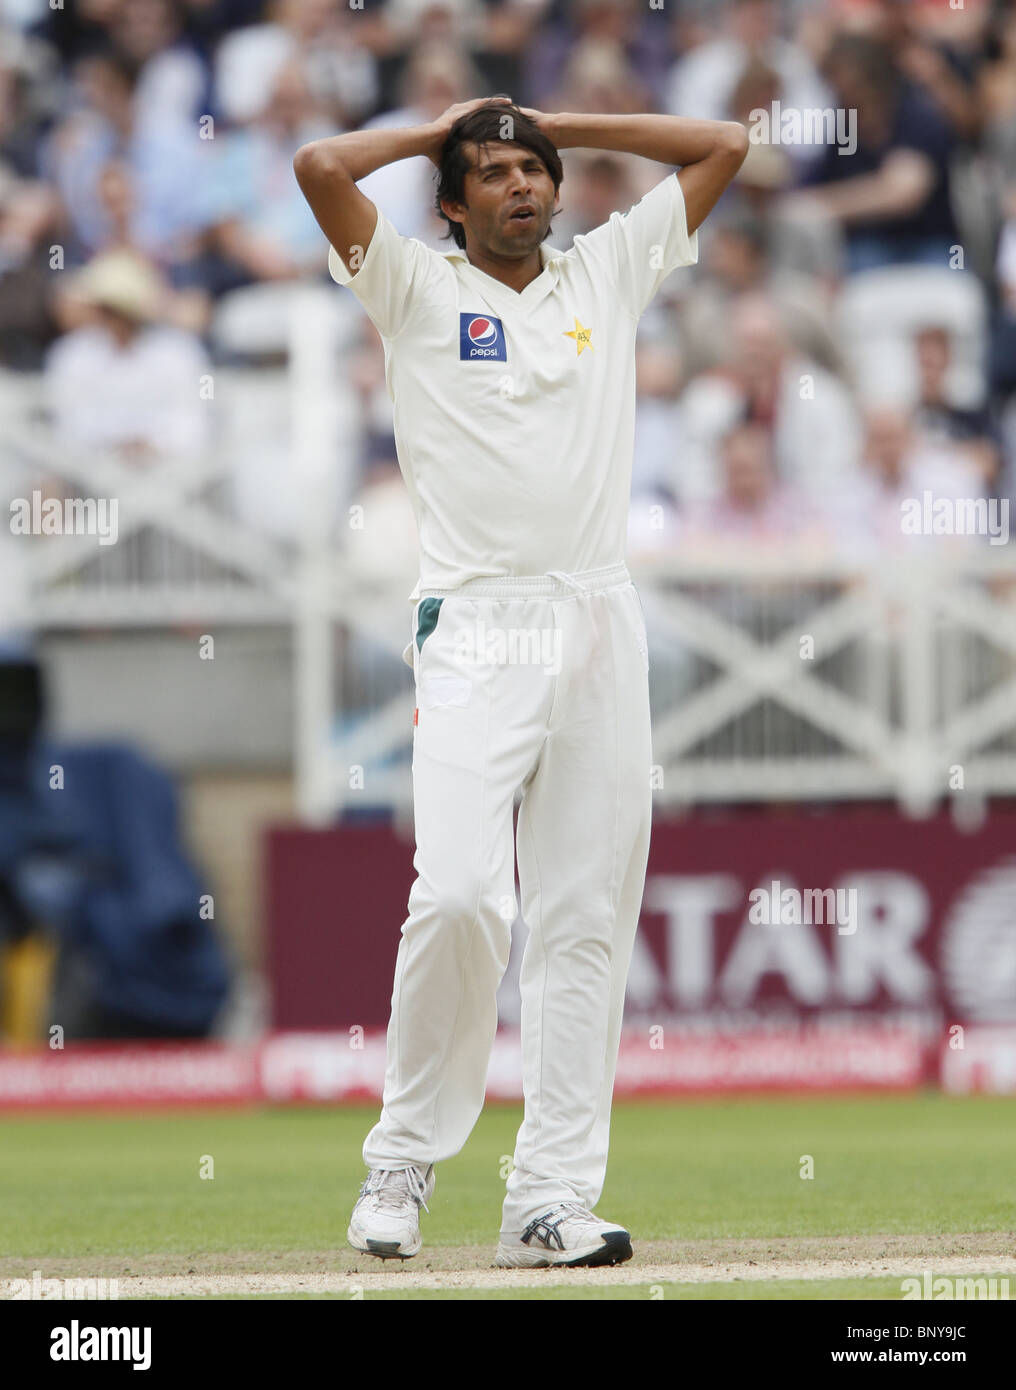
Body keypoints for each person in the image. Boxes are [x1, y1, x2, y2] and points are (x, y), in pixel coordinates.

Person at [294, 96, 747, 1268]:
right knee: (456, 894)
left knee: (583, 922)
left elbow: (722, 146)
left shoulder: (605, 272)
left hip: (599, 613)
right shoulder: (408, 285)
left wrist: (562, 118)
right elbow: (317, 163)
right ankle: (400, 1164)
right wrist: (433, 128)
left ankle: (547, 1197)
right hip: (476, 618)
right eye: (491, 173)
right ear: (450, 204)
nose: (519, 185)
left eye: (533, 169)